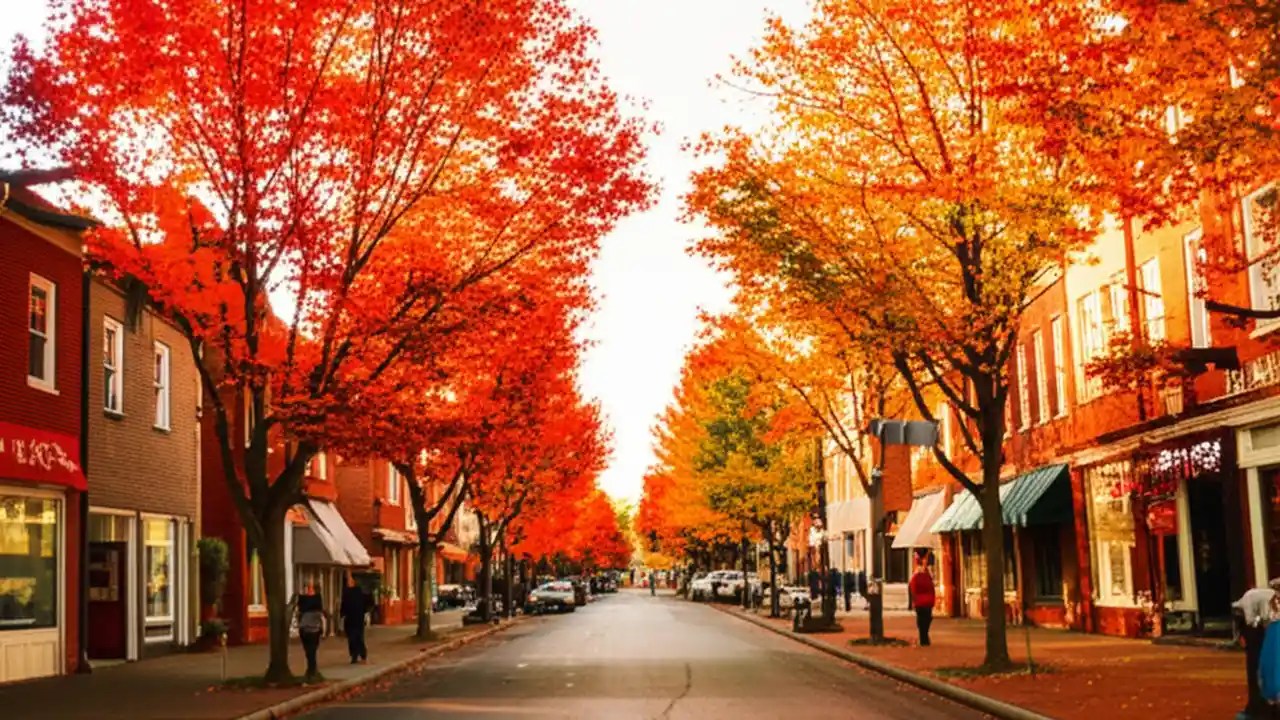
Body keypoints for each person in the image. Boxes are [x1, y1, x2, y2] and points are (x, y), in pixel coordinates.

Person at [295, 583, 326, 680]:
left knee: (311, 650)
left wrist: (323, 631)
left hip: (313, 630)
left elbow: (322, 618)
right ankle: (311, 669)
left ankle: (311, 669)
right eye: (308, 589)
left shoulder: (315, 605)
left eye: (310, 589)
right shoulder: (307, 604)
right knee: (309, 651)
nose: (309, 591)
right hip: (306, 630)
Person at [339, 572, 369, 664]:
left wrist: (364, 612)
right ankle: (354, 655)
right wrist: (343, 614)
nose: (349, 582)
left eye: (350, 580)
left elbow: (365, 603)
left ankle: (362, 654)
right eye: (348, 580)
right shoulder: (346, 592)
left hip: (358, 618)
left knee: (359, 637)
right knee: (351, 638)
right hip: (350, 619)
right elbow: (344, 605)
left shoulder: (358, 592)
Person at [907, 560, 936, 647]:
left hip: (919, 603)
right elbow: (932, 590)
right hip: (928, 603)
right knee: (927, 619)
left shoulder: (914, 578)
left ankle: (923, 637)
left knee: (921, 621)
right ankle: (925, 636)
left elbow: (912, 590)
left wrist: (913, 602)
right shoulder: (928, 578)